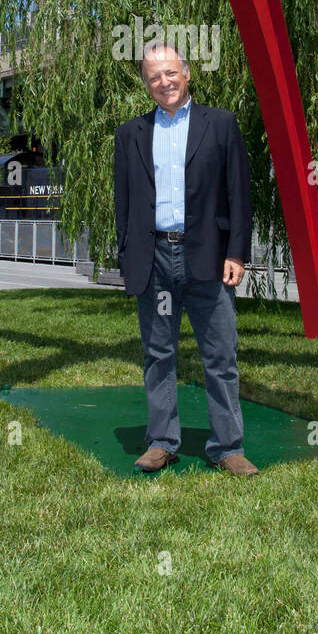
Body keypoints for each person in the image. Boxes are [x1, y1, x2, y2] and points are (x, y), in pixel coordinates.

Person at [113, 41, 258, 476]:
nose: (164, 82)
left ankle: (228, 448)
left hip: (208, 260)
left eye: (170, 73)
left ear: (187, 72)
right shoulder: (130, 135)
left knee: (221, 356)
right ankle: (161, 442)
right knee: (158, 354)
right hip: (153, 259)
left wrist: (237, 252)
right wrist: (127, 255)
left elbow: (239, 194)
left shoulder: (221, 125)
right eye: (154, 77)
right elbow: (124, 202)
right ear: (146, 85)